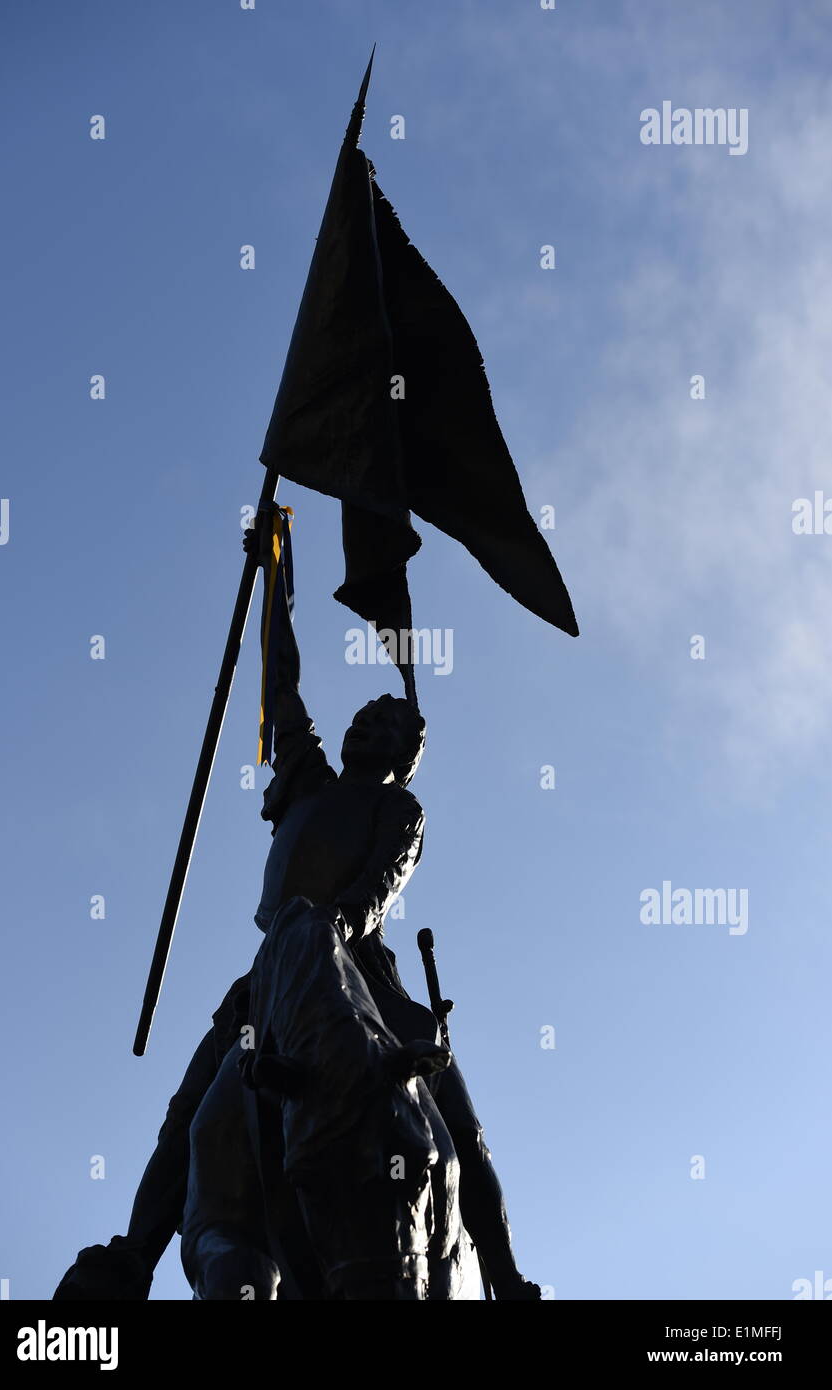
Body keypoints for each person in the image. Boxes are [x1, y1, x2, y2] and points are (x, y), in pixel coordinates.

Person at [53, 512, 539, 1300]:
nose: (368, 724)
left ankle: (507, 1276)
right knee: (188, 1116)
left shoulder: (400, 812)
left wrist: (330, 930)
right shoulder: (308, 785)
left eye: (388, 725)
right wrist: (274, 577)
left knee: (458, 1121)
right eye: (365, 716)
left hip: (357, 971)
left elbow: (378, 883)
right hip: (270, 973)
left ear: (405, 755)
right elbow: (281, 685)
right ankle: (131, 1256)